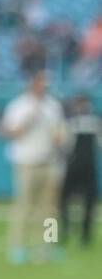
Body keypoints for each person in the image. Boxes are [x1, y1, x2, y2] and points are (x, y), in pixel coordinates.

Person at [1, 70, 67, 265]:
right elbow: (11, 132)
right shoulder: (19, 105)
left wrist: (59, 138)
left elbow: (59, 132)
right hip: (26, 161)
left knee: (50, 209)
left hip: (49, 160)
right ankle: (18, 246)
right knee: (24, 206)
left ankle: (46, 247)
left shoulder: (53, 105)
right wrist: (30, 119)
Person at [60, 94, 99, 248]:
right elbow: (64, 145)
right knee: (63, 203)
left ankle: (85, 235)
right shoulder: (70, 123)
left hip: (87, 168)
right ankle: (62, 232)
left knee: (88, 204)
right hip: (73, 168)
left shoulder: (94, 123)